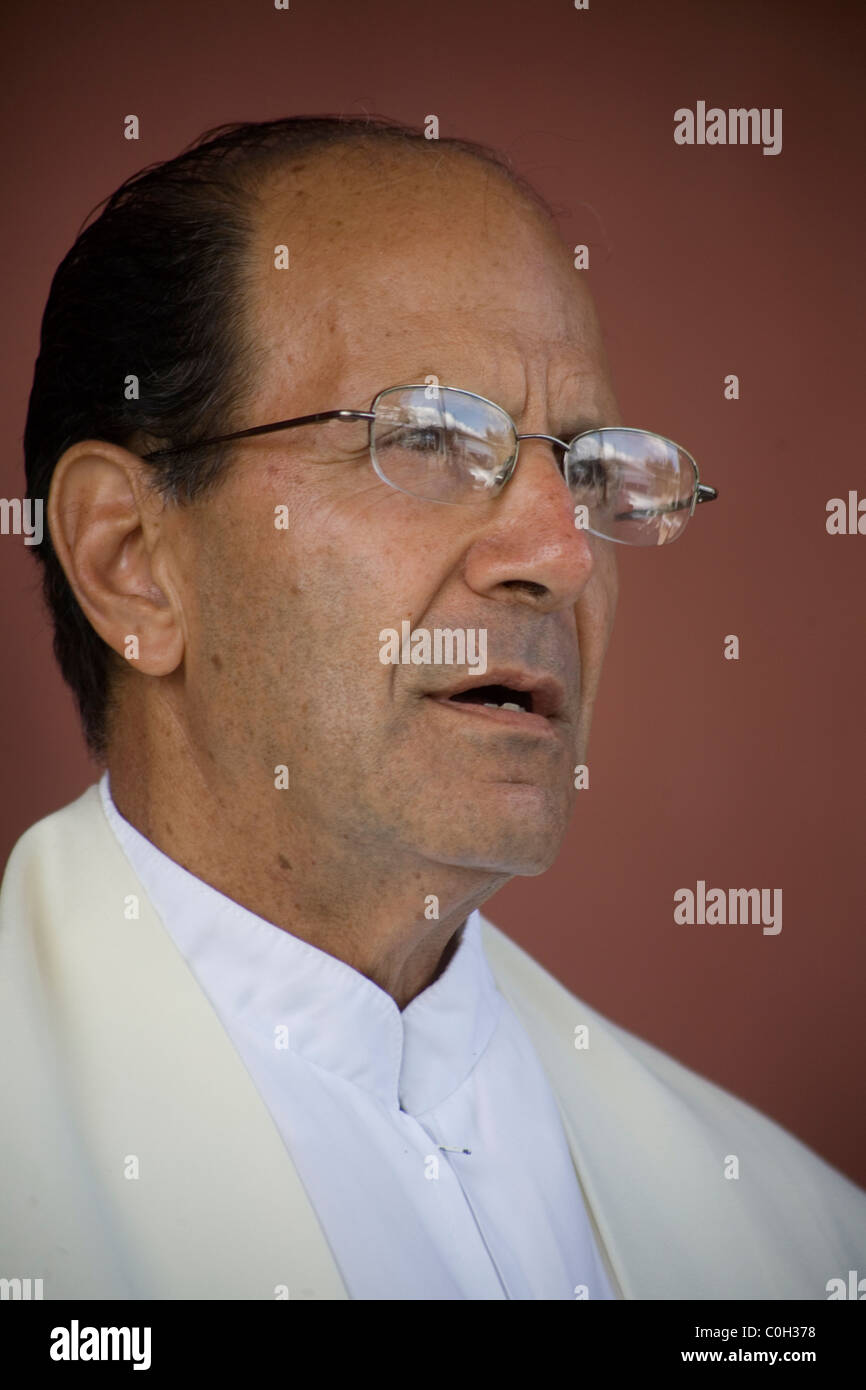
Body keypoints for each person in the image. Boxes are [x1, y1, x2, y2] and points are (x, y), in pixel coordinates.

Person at [1, 115, 862, 1301]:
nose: (561, 555)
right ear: (130, 558)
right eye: (430, 436)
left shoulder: (798, 1249)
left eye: (589, 470)